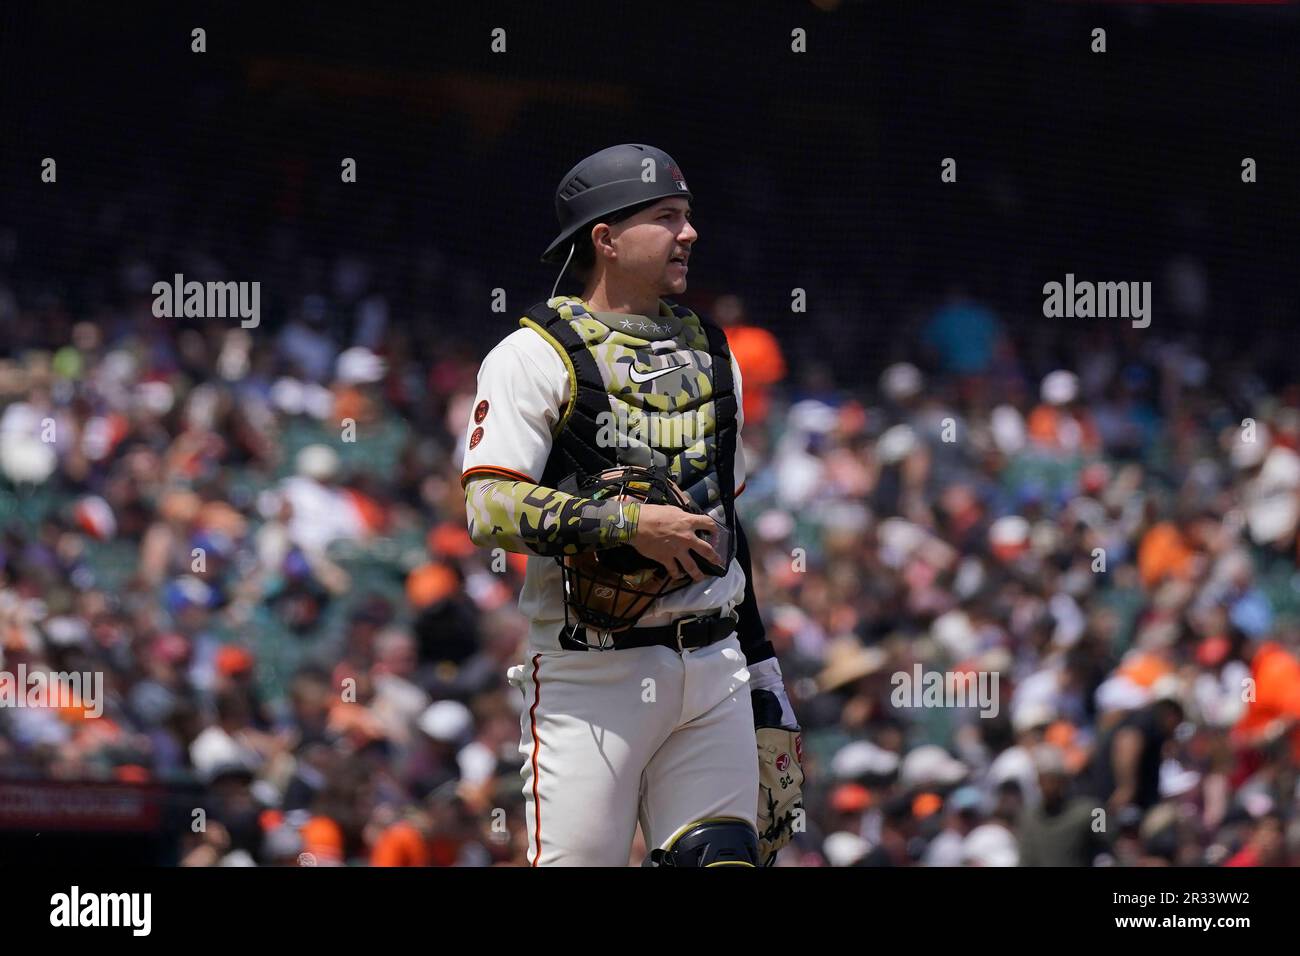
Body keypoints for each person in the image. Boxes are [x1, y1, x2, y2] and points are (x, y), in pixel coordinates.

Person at [461, 144, 803, 866]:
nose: (689, 233)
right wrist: (628, 522)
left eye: (688, 217)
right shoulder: (531, 355)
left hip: (714, 662)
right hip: (593, 676)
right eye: (667, 217)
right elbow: (487, 506)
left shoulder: (713, 349)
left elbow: (725, 531)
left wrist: (765, 672)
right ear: (606, 239)